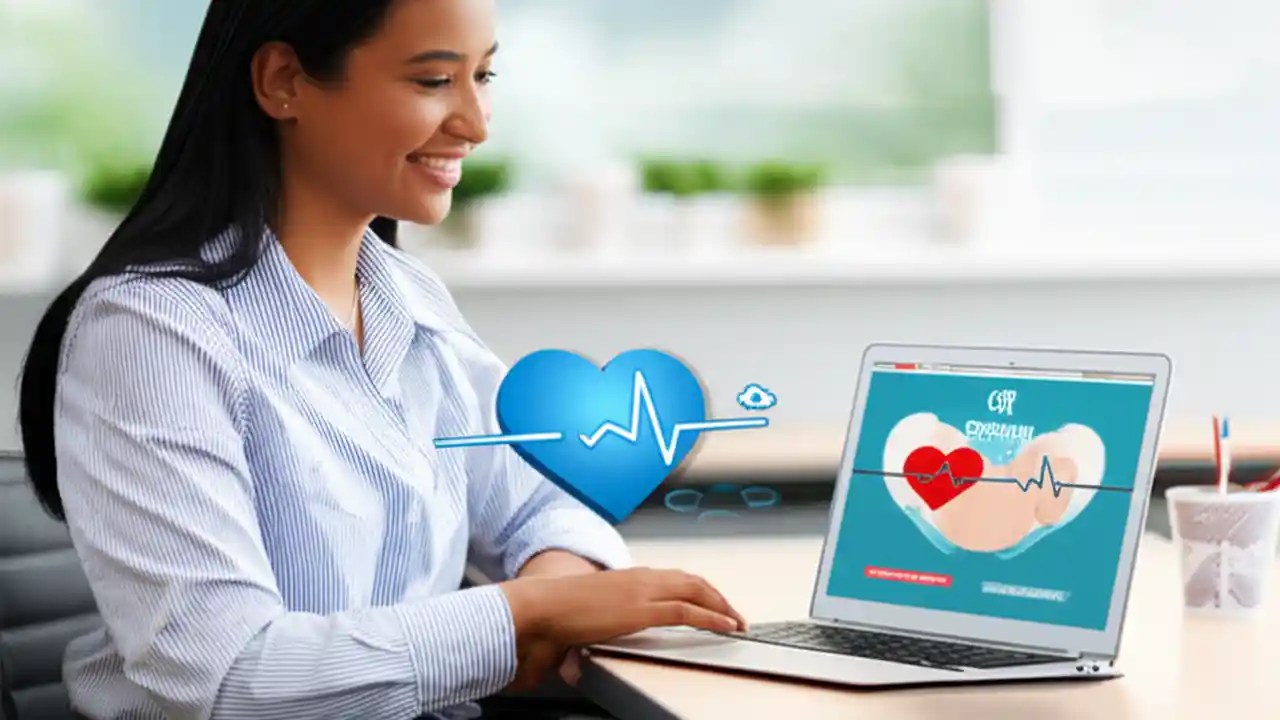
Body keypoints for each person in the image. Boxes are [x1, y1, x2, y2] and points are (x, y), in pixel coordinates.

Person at [15, 1, 747, 718]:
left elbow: (541, 501)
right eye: (433, 82)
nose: (475, 123)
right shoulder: (152, 332)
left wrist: (553, 596)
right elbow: (226, 675)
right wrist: (519, 617)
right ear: (283, 82)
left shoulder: (406, 297)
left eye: (483, 77)